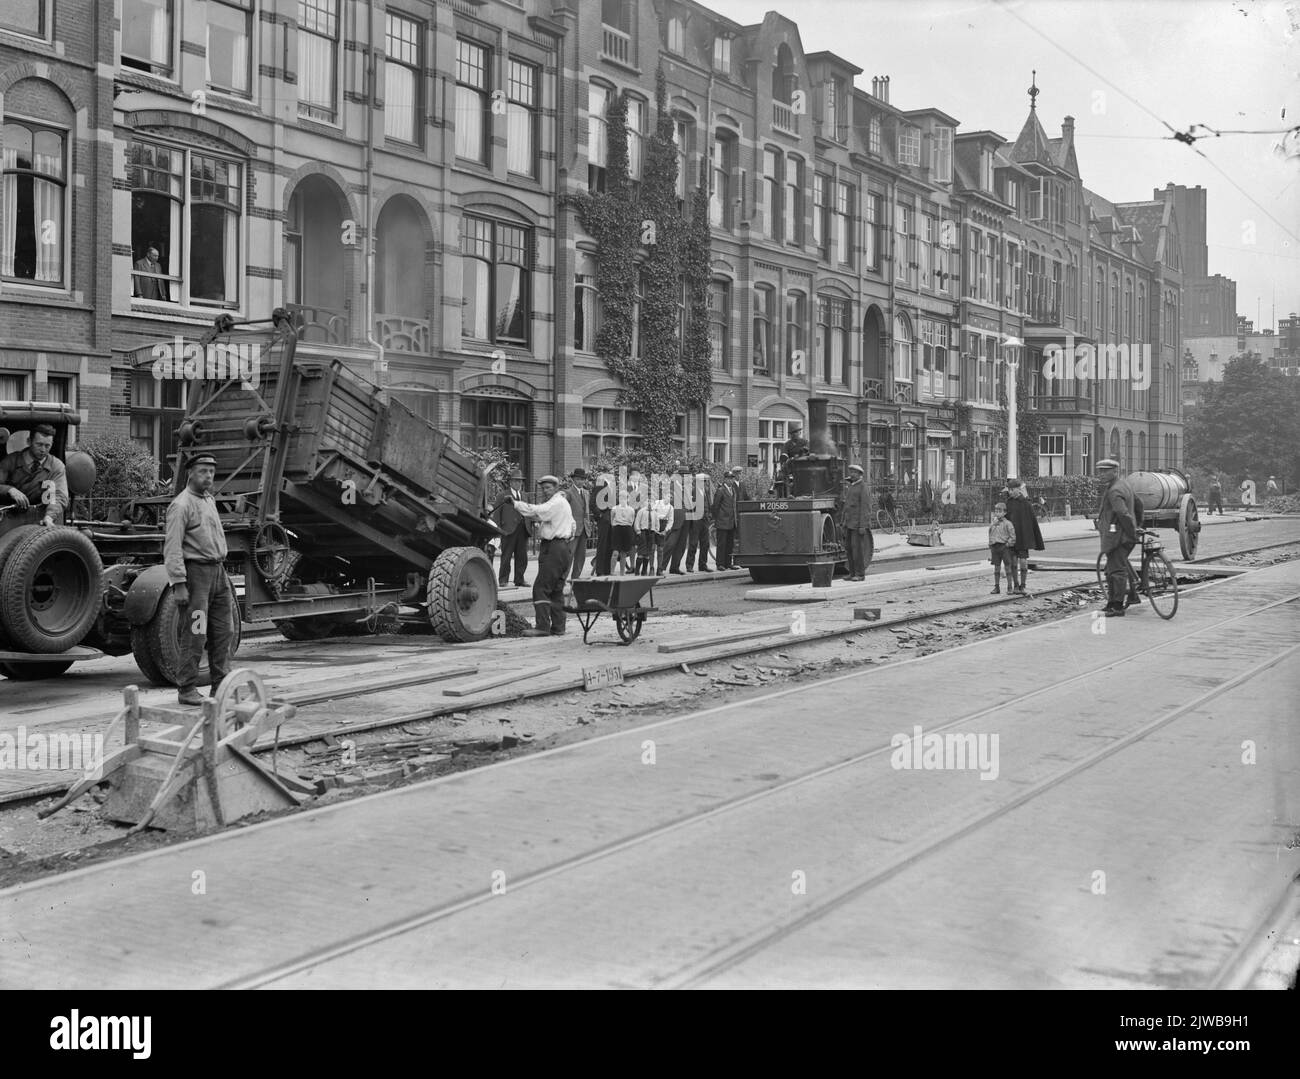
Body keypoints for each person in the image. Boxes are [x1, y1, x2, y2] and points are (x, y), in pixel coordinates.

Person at [164, 453, 233, 705]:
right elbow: (172, 548)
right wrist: (179, 584)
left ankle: (221, 687)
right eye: (203, 471)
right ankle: (187, 688)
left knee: (224, 632)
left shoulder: (209, 500)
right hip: (196, 578)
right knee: (195, 633)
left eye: (212, 472)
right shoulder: (181, 505)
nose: (209, 477)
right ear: (190, 473)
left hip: (218, 574)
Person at [506, 475, 575, 637]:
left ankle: (543, 626)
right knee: (556, 590)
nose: (545, 491)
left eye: (548, 488)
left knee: (541, 588)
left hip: (554, 548)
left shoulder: (556, 503)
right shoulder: (562, 504)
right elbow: (571, 524)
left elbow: (537, 510)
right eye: (543, 488)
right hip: (564, 548)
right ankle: (558, 627)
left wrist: (516, 504)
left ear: (556, 488)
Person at [0, 423, 68, 526]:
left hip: (39, 521)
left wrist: (49, 517)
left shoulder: (56, 467)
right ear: (29, 441)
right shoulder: (10, 461)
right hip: (8, 519)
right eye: (39, 444)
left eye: (47, 446)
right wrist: (9, 490)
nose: (43, 450)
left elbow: (59, 496)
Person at [1096, 458, 1139, 617]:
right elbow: (1138, 504)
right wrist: (1137, 523)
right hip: (1119, 535)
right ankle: (1112, 602)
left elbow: (1122, 513)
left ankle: (1118, 606)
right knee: (1112, 569)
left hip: (1118, 537)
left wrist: (1131, 531)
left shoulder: (1115, 490)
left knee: (1117, 571)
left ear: (1115, 471)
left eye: (1106, 471)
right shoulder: (1123, 484)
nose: (1102, 474)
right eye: (1100, 471)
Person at [489, 467, 531, 588]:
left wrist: (532, 523)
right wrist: (497, 531)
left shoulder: (524, 495)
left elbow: (529, 510)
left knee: (522, 556)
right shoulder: (502, 495)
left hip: (523, 529)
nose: (519, 483)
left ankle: (519, 579)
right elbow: (496, 514)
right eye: (516, 481)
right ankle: (503, 580)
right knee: (506, 555)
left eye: (520, 481)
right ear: (511, 482)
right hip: (508, 530)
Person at [1002, 478, 1044, 596]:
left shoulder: (1026, 503)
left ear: (1019, 489)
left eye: (1012, 489)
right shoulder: (1008, 503)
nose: (1010, 492)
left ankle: (1023, 585)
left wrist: (1032, 538)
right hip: (1012, 537)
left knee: (1023, 562)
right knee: (1013, 562)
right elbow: (1005, 520)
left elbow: (1032, 522)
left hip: (1024, 537)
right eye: (1009, 489)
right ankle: (1015, 585)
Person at [842, 464, 870, 581]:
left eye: (854, 472)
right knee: (849, 549)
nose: (851, 474)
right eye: (851, 472)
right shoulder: (851, 487)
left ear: (860, 474)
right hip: (849, 524)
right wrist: (843, 522)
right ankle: (852, 573)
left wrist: (863, 525)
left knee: (857, 549)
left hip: (858, 525)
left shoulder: (863, 487)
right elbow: (847, 507)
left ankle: (860, 574)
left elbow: (865, 508)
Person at [660, 466, 690, 575]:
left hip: (685, 518)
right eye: (683, 475)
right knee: (670, 544)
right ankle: (661, 567)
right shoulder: (671, 487)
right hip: (675, 519)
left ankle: (675, 567)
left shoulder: (686, 487)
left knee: (681, 545)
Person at [563, 469, 592, 578]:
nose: (581, 482)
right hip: (573, 530)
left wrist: (588, 524)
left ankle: (575, 579)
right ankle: (563, 579)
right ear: (573, 480)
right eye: (578, 479)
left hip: (584, 529)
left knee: (581, 557)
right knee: (569, 556)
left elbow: (587, 511)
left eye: (583, 479)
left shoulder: (586, 492)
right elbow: (565, 511)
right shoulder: (568, 493)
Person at [684, 471, 713, 572]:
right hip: (696, 520)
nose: (705, 483)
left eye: (705, 481)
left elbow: (709, 504)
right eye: (703, 481)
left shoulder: (706, 491)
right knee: (693, 543)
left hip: (704, 520)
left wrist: (709, 515)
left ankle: (702, 564)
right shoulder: (693, 491)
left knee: (705, 543)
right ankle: (689, 565)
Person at [712, 467, 740, 571]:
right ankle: (720, 564)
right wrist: (718, 518)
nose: (731, 480)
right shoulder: (720, 490)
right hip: (722, 521)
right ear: (725, 479)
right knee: (721, 544)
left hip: (731, 522)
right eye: (729, 478)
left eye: (732, 478)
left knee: (729, 544)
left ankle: (728, 563)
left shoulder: (733, 490)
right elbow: (715, 506)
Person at [987, 502, 1017, 595]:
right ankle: (996, 587)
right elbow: (990, 533)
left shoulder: (1008, 523)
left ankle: (1009, 587)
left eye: (999, 511)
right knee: (996, 568)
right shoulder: (993, 523)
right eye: (996, 511)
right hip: (995, 547)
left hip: (1004, 547)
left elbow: (1013, 536)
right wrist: (991, 544)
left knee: (1008, 568)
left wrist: (1008, 544)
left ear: (1004, 512)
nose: (997, 513)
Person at [591, 470, 614, 576]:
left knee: (610, 545)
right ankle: (600, 570)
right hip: (604, 518)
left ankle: (607, 570)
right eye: (609, 471)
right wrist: (599, 515)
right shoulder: (600, 484)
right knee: (602, 545)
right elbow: (592, 502)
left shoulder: (612, 485)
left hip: (612, 519)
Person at [609, 492, 637, 575]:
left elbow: (631, 521)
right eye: (621, 497)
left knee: (624, 553)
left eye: (625, 498)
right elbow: (612, 519)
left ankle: (622, 572)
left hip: (627, 529)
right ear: (619, 499)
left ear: (628, 499)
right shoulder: (614, 509)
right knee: (615, 552)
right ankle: (612, 572)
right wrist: (617, 524)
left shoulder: (631, 510)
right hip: (617, 529)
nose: (623, 499)